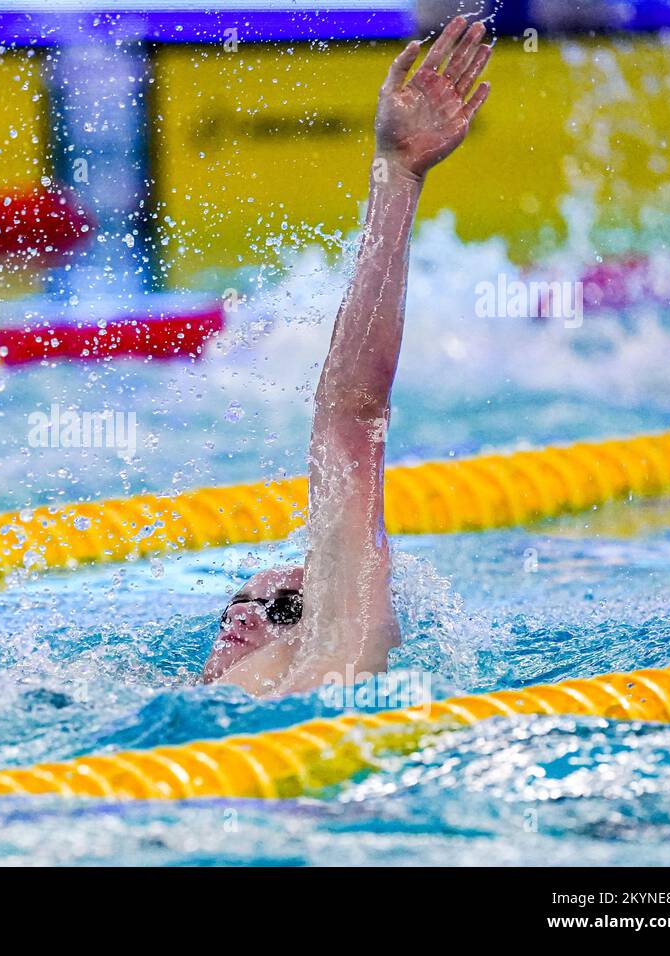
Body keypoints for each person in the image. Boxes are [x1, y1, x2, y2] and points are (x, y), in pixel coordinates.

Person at [204, 16, 493, 695]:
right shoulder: (178, 697)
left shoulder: (325, 668)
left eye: (284, 609)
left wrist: (397, 174)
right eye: (239, 603)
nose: (245, 620)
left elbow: (351, 413)